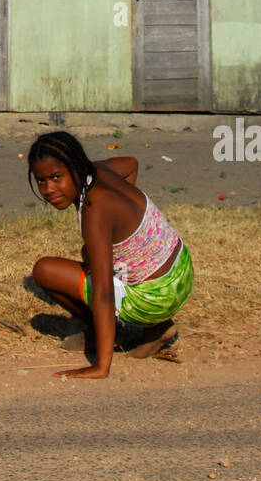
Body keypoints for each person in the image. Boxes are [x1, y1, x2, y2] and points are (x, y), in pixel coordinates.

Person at [28, 131, 194, 379]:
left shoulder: (95, 211)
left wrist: (100, 366)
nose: (48, 189)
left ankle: (106, 333)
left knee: (44, 271)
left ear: (74, 168)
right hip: (181, 269)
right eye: (41, 181)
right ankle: (156, 330)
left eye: (56, 177)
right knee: (91, 253)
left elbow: (104, 292)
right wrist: (122, 226)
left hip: (157, 297)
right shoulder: (98, 171)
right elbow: (131, 164)